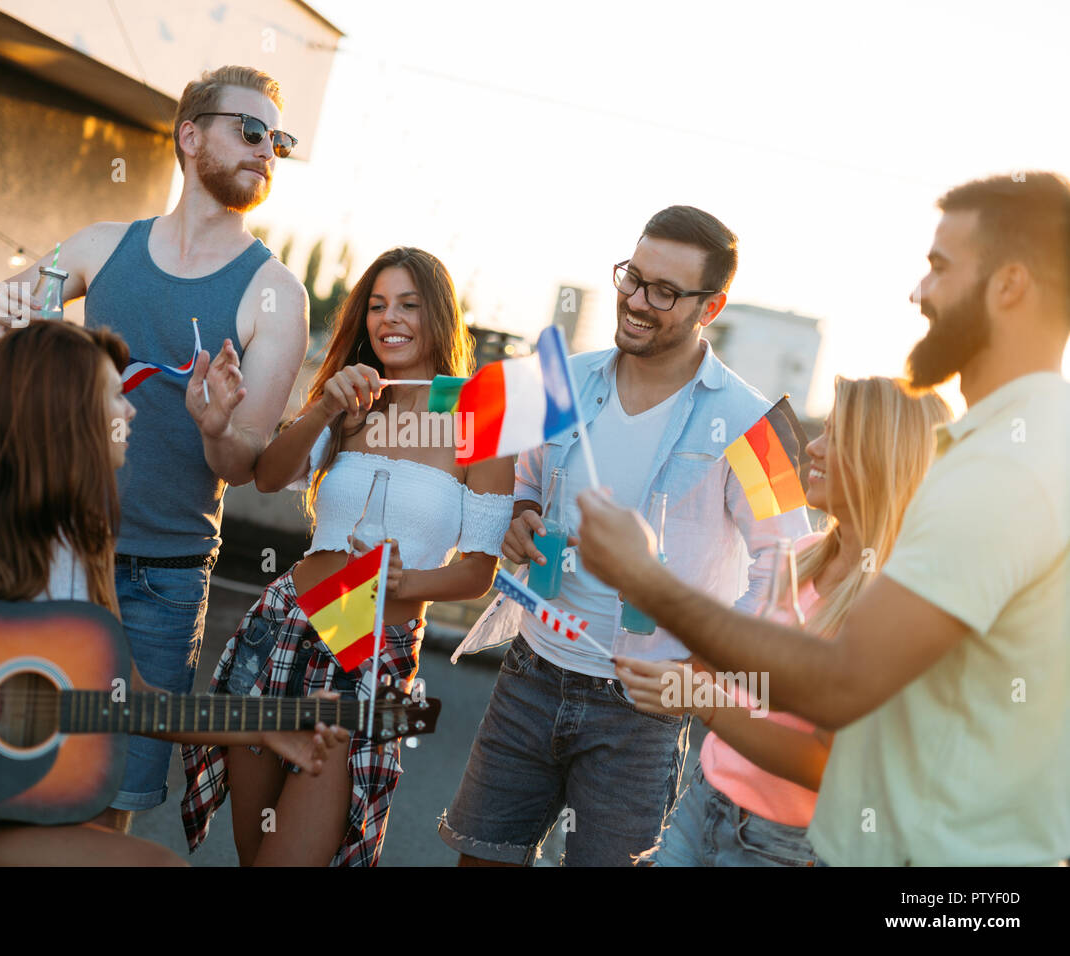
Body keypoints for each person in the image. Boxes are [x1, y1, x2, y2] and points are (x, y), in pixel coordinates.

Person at [578, 172, 1070, 866]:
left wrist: (645, 579)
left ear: (1009, 285)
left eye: (939, 268)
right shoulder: (1005, 447)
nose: (918, 292)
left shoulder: (1008, 470)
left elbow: (838, 686)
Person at [0, 322, 344, 866]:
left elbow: (130, 698)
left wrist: (265, 723)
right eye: (112, 396)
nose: (131, 409)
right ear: (59, 408)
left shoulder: (90, 533)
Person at [0, 66, 311, 829]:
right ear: (189, 134)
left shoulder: (276, 293)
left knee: (107, 816)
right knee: (1, 781)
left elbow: (243, 466)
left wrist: (217, 429)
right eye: (249, 131)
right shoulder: (99, 247)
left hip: (161, 584)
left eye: (278, 140)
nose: (265, 150)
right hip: (47, 552)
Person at [438, 205, 812, 867]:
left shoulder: (755, 422)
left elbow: (787, 565)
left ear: (712, 305)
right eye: (631, 278)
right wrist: (522, 512)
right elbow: (524, 473)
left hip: (646, 707)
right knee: (480, 858)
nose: (637, 301)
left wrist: (701, 675)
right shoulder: (561, 378)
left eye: (664, 291)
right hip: (530, 672)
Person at [179, 247, 514, 866]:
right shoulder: (353, 402)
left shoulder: (478, 419)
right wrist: (324, 407)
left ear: (440, 316)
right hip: (282, 628)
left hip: (365, 653)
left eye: (409, 305)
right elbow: (268, 476)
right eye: (378, 306)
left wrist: (406, 579)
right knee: (254, 854)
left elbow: (477, 574)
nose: (391, 319)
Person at [616, 376, 950, 865]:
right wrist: (682, 677)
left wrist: (702, 701)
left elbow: (824, 763)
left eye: (837, 436)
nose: (813, 447)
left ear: (883, 458)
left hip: (784, 848)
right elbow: (759, 689)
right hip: (704, 803)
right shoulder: (805, 554)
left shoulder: (897, 605)